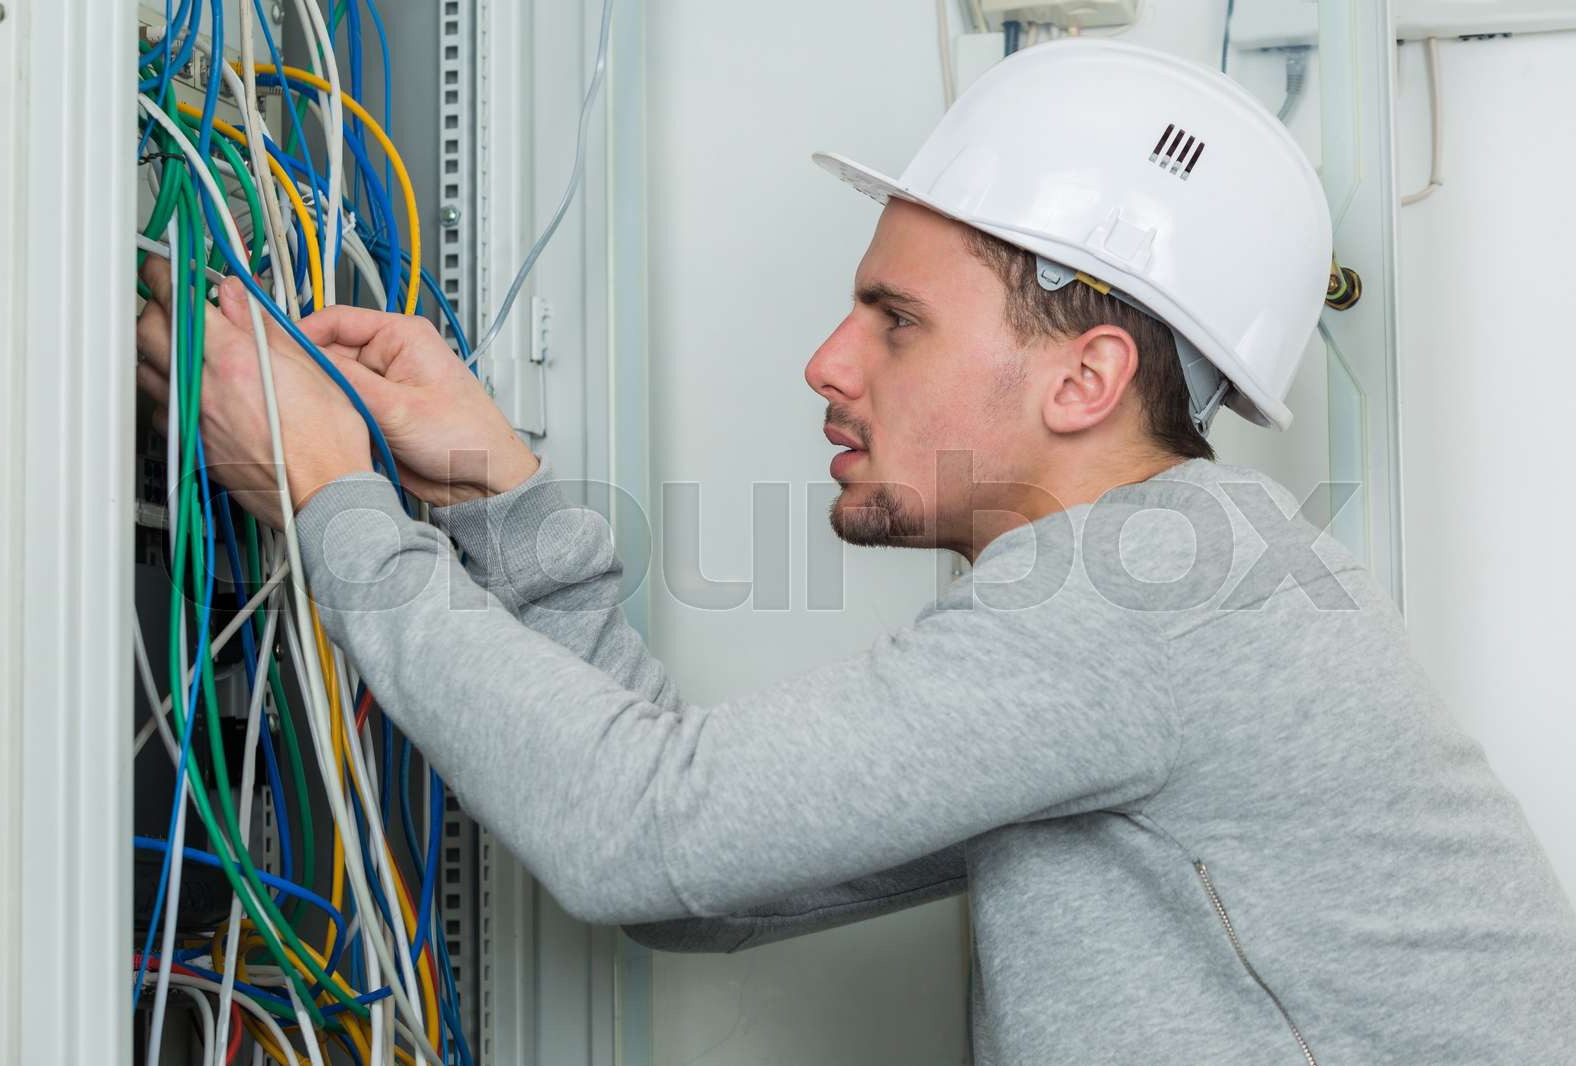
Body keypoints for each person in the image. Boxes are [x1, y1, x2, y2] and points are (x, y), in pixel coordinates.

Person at [135, 39, 1575, 1066]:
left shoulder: (1157, 595)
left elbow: (647, 830)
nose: (829, 360)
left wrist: (332, 497)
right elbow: (718, 881)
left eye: (897, 318)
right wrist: (501, 494)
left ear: (1083, 378)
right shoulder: (1170, 586)